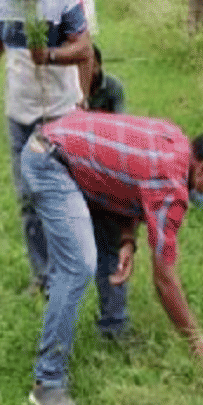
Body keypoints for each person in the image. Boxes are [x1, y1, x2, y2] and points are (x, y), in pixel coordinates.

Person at [21, 110, 203, 405]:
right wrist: (196, 341)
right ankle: (48, 383)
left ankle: (114, 326)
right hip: (51, 164)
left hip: (63, 154)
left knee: (111, 245)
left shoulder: (174, 140)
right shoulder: (172, 188)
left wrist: (128, 241)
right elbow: (164, 279)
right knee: (78, 266)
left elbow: (125, 185)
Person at [0, 0, 93, 297]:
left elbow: (84, 49)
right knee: (28, 197)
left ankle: (69, 269)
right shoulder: (0, 1)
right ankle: (41, 276)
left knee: (60, 194)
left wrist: (50, 55)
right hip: (19, 114)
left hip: (57, 113)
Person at [84, 43, 130, 339]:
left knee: (108, 249)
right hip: (78, 172)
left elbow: (118, 131)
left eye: (91, 65)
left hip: (107, 170)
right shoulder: (68, 88)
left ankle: (113, 321)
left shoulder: (112, 89)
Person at [87, 43, 125, 114]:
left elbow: (119, 116)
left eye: (93, 65)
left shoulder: (113, 86)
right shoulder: (73, 85)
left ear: (99, 64)